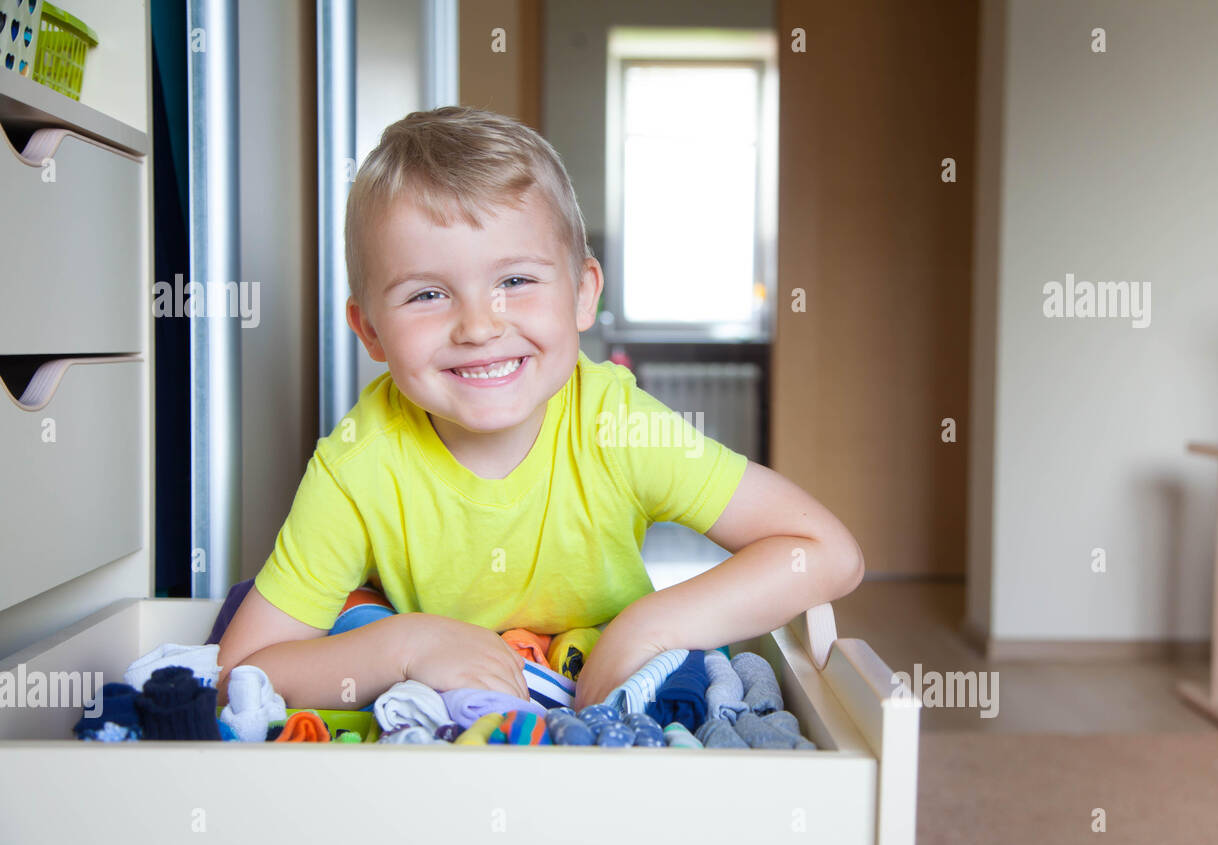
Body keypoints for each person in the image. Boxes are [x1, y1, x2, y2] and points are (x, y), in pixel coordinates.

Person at [216, 106, 864, 713]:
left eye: (514, 281)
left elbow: (826, 551)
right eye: (427, 294)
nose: (478, 325)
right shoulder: (358, 463)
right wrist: (405, 647)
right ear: (372, 332)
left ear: (583, 295)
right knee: (305, 615)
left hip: (599, 708)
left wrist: (649, 625)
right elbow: (237, 671)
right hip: (454, 734)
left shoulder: (616, 425)